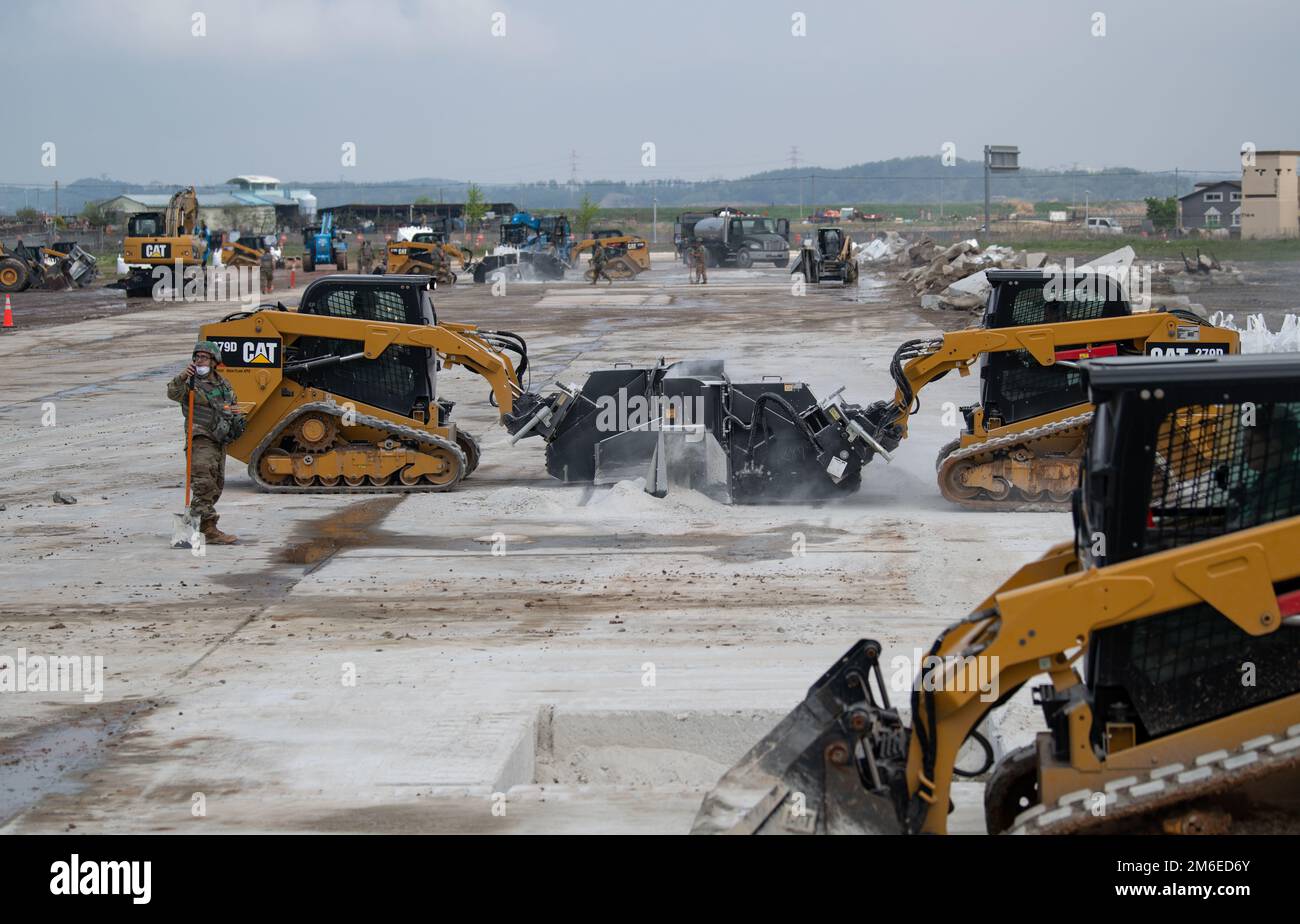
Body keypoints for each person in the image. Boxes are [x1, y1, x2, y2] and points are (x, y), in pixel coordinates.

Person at [166, 342, 244, 545]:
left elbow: (231, 407)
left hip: (219, 440)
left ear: (214, 361)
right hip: (199, 440)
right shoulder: (190, 384)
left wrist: (236, 418)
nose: (199, 361)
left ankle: (193, 525)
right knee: (204, 485)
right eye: (197, 357)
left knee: (216, 485)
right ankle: (207, 529)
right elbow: (172, 392)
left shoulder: (224, 385)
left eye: (204, 357)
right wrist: (183, 376)